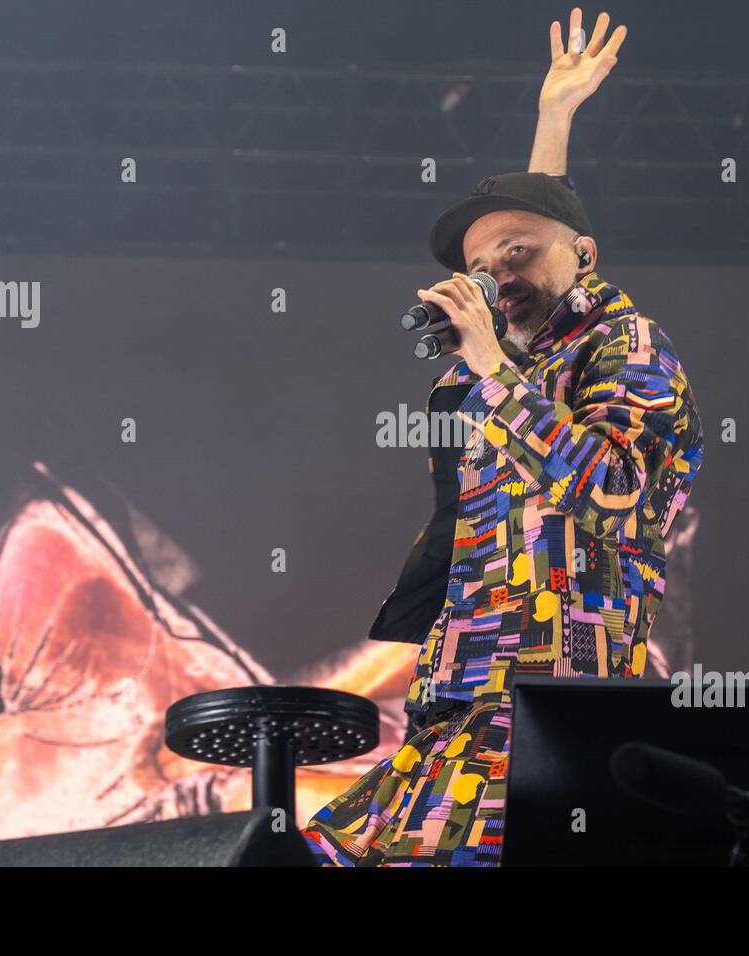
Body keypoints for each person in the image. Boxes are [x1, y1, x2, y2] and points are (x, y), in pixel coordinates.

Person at [301, 9, 705, 866]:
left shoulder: (625, 346)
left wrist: (491, 366)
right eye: (479, 269)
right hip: (460, 691)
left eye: (516, 256)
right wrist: (552, 120)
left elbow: (616, 497)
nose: (496, 277)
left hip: (548, 696)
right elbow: (530, 240)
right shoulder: (517, 357)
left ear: (585, 257)